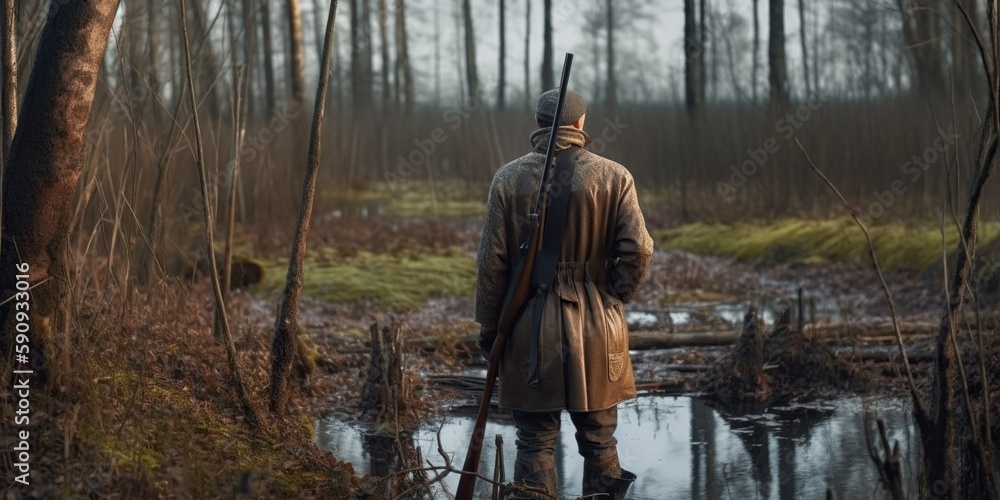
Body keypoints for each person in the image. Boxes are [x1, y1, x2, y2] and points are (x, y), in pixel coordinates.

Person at [475, 88, 653, 499]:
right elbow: (640, 248)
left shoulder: (509, 178)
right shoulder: (614, 175)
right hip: (597, 328)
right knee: (600, 441)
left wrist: (489, 327)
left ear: (538, 123)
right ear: (580, 124)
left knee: (535, 442)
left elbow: (491, 263)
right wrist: (610, 296)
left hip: (528, 327)